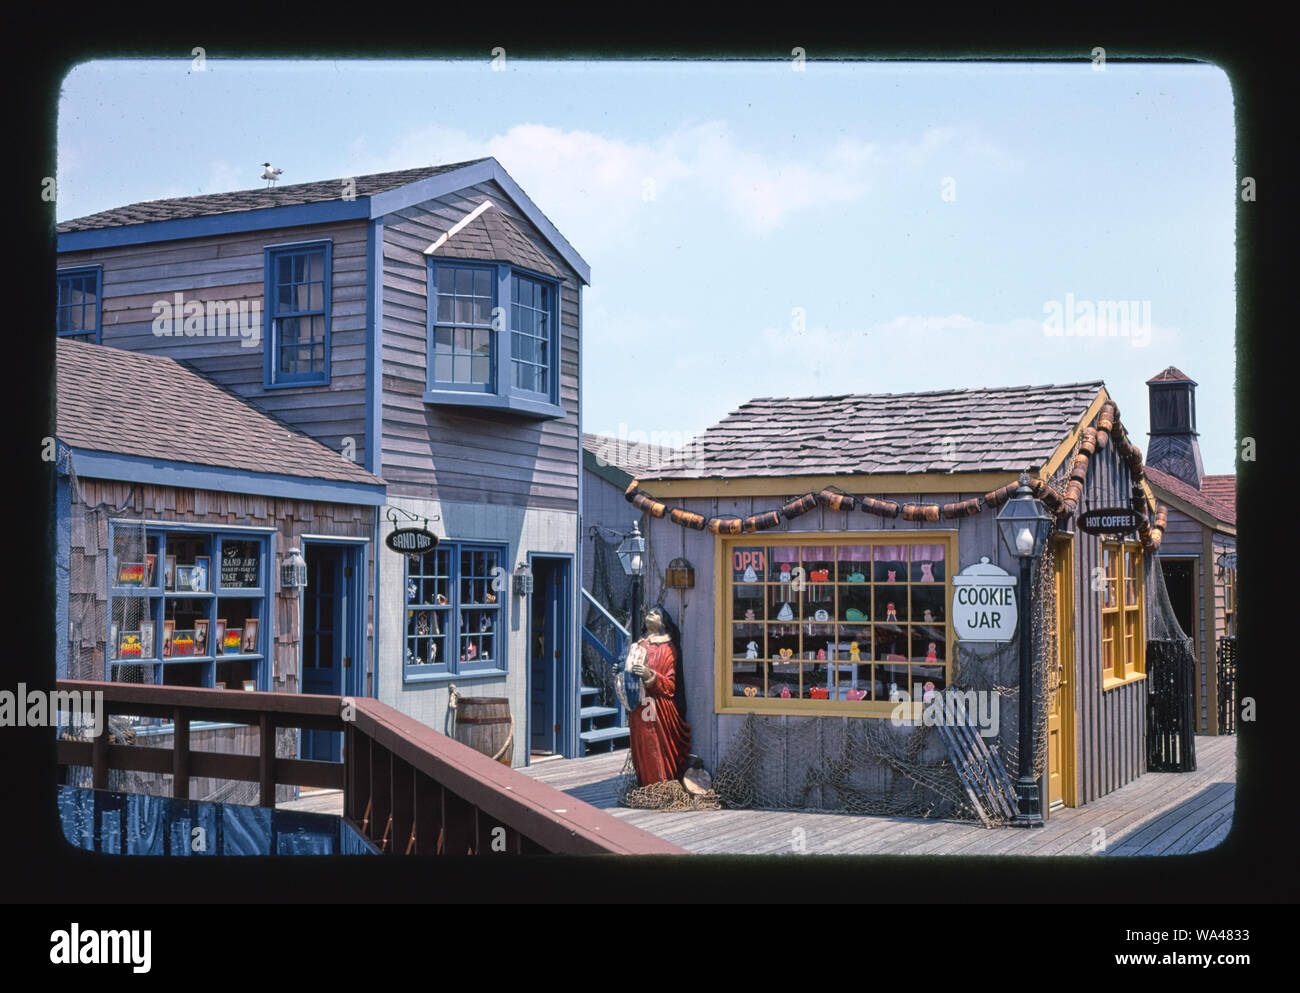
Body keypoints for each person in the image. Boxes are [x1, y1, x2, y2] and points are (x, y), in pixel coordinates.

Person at [626, 606, 691, 787]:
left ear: (663, 622)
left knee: (655, 744)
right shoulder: (639, 645)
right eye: (649, 613)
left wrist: (649, 675)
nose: (650, 615)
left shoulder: (668, 648)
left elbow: (670, 686)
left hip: (658, 706)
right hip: (639, 704)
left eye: (655, 613)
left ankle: (659, 784)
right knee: (641, 745)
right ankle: (645, 783)